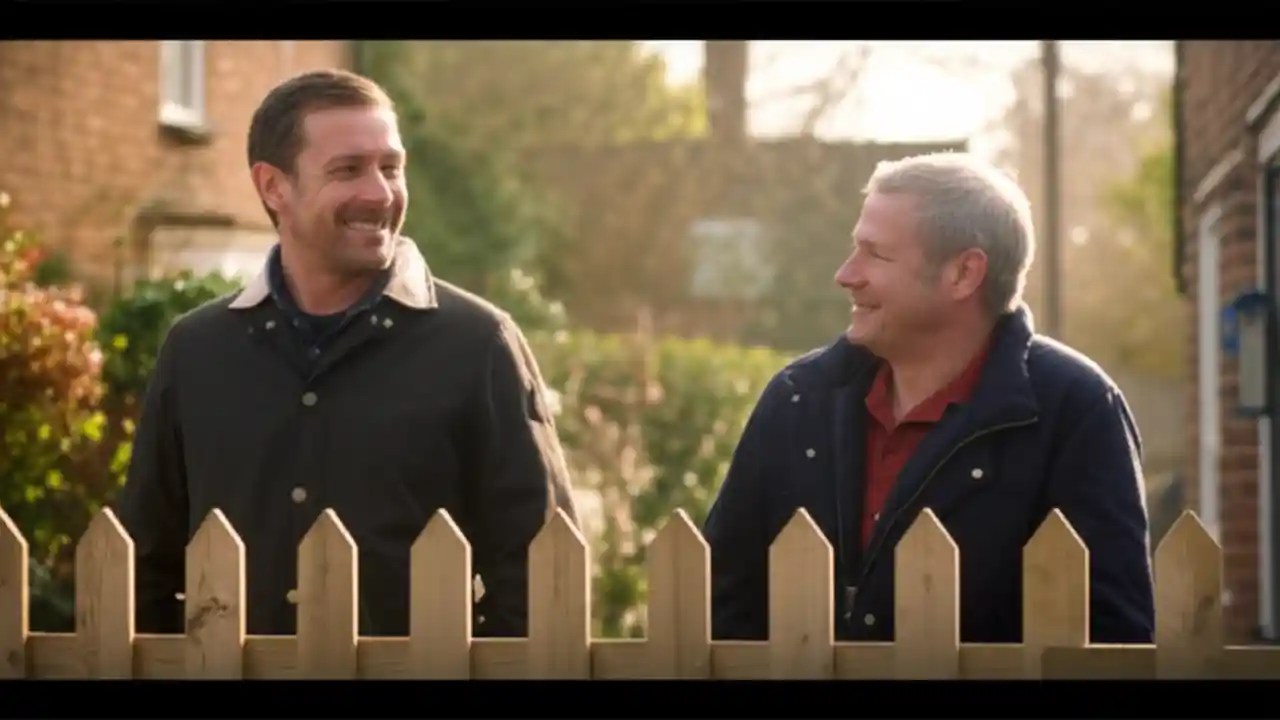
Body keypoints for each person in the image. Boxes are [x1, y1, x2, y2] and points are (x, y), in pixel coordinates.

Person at [114, 69, 578, 639]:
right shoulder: (197, 351)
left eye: (391, 167)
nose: (380, 193)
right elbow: (144, 565)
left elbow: (541, 570)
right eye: (348, 170)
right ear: (272, 187)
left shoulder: (480, 345)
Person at [703, 151, 1155, 645]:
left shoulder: (1076, 409)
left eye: (875, 254)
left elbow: (1115, 642)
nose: (846, 274)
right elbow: (724, 609)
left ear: (963, 274)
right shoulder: (795, 399)